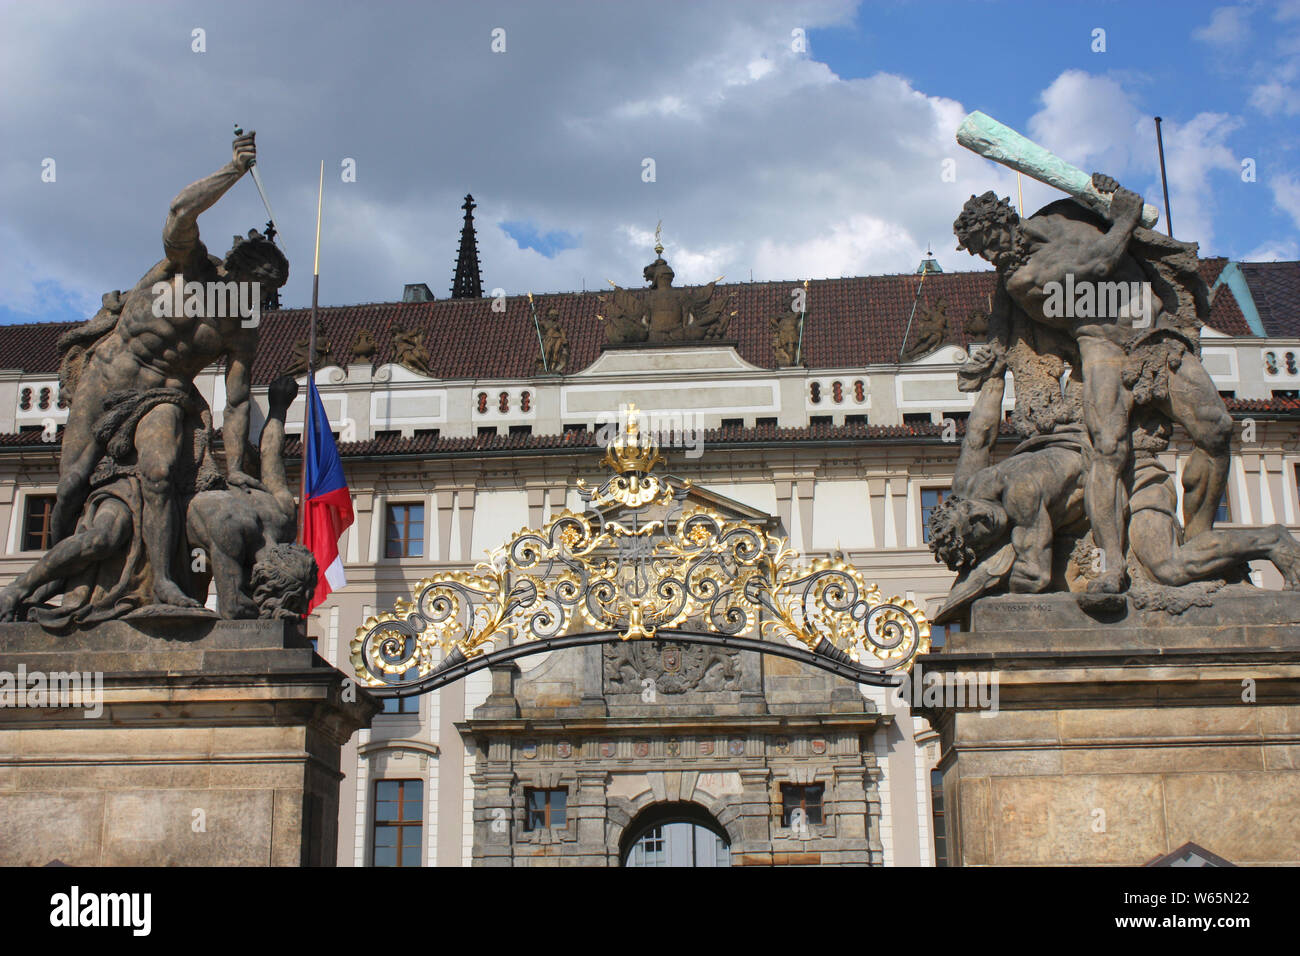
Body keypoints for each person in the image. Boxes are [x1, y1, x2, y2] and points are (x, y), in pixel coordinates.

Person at [49, 130, 288, 609]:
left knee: (159, 475)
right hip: (110, 377)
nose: (260, 297)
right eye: (258, 284)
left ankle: (161, 579)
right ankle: (61, 580)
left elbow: (237, 400)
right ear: (237, 268)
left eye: (268, 291)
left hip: (164, 398)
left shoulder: (241, 326)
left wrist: (237, 468)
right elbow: (181, 211)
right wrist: (234, 171)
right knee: (72, 484)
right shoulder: (190, 266)